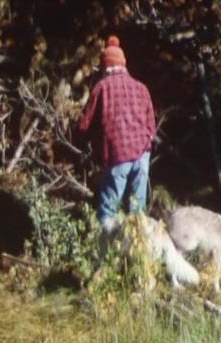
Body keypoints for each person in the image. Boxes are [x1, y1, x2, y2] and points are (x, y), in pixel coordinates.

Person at [77, 35, 156, 238]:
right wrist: (145, 144)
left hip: (118, 155)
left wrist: (81, 141)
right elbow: (151, 125)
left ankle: (106, 254)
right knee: (137, 212)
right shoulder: (142, 87)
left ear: (106, 67)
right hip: (142, 155)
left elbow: (83, 124)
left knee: (108, 210)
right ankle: (138, 257)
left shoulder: (101, 88)